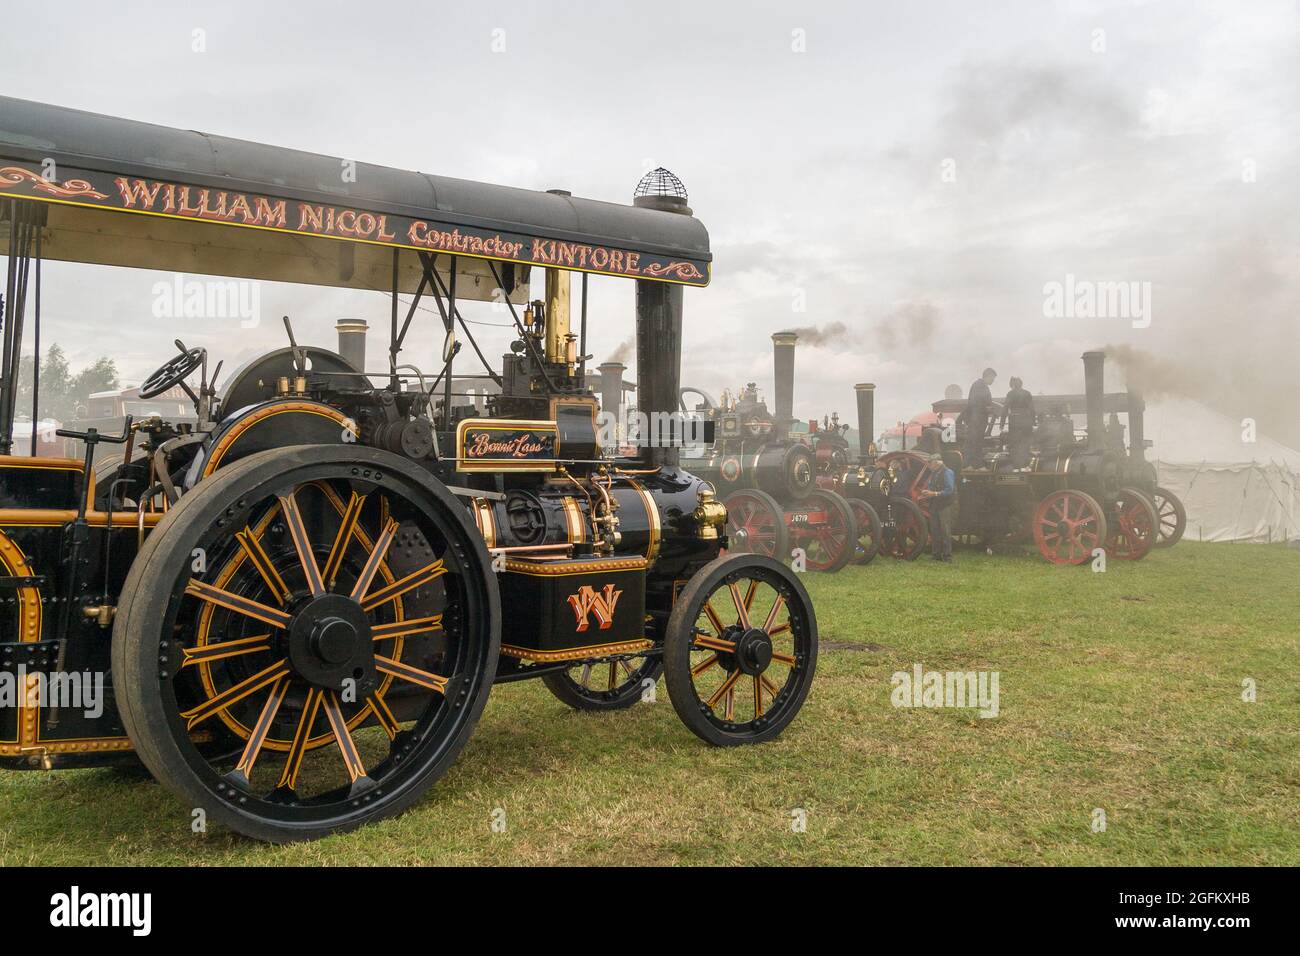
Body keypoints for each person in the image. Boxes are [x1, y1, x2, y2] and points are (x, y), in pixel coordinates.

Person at [920, 457, 956, 561]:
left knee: (945, 531)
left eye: (930, 464)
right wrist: (927, 492)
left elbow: (949, 490)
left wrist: (934, 493)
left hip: (944, 506)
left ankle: (947, 556)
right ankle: (936, 555)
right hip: (934, 505)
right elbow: (932, 487)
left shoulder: (948, 472)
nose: (929, 466)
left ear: (936, 463)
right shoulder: (934, 474)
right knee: (935, 531)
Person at [965, 367, 996, 468]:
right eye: (992, 378)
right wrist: (988, 408)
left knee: (975, 442)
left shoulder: (978, 385)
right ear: (987, 376)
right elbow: (980, 403)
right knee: (976, 442)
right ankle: (975, 465)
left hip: (976, 418)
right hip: (977, 418)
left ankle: (972, 464)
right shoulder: (981, 386)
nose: (993, 381)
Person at [1001, 376, 1034, 467]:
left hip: (1014, 421)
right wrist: (1033, 422)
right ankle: (1025, 465)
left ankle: (1015, 466)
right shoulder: (1027, 393)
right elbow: (1032, 409)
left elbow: (1005, 408)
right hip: (1026, 420)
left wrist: (1002, 423)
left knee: (1014, 444)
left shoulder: (1010, 394)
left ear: (1013, 384)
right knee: (1025, 443)